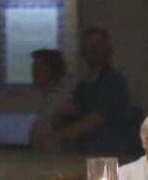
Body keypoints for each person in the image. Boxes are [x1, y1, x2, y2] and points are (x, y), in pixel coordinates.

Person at [47, 26, 136, 158]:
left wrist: (57, 137)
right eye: (89, 44)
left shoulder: (114, 81)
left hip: (108, 154)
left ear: (109, 49)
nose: (94, 48)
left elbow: (97, 117)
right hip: (85, 153)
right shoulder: (84, 86)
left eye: (98, 43)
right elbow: (73, 110)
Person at [25, 48, 76, 151]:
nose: (35, 70)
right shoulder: (42, 99)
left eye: (41, 66)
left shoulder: (61, 99)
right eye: (34, 66)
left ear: (54, 69)